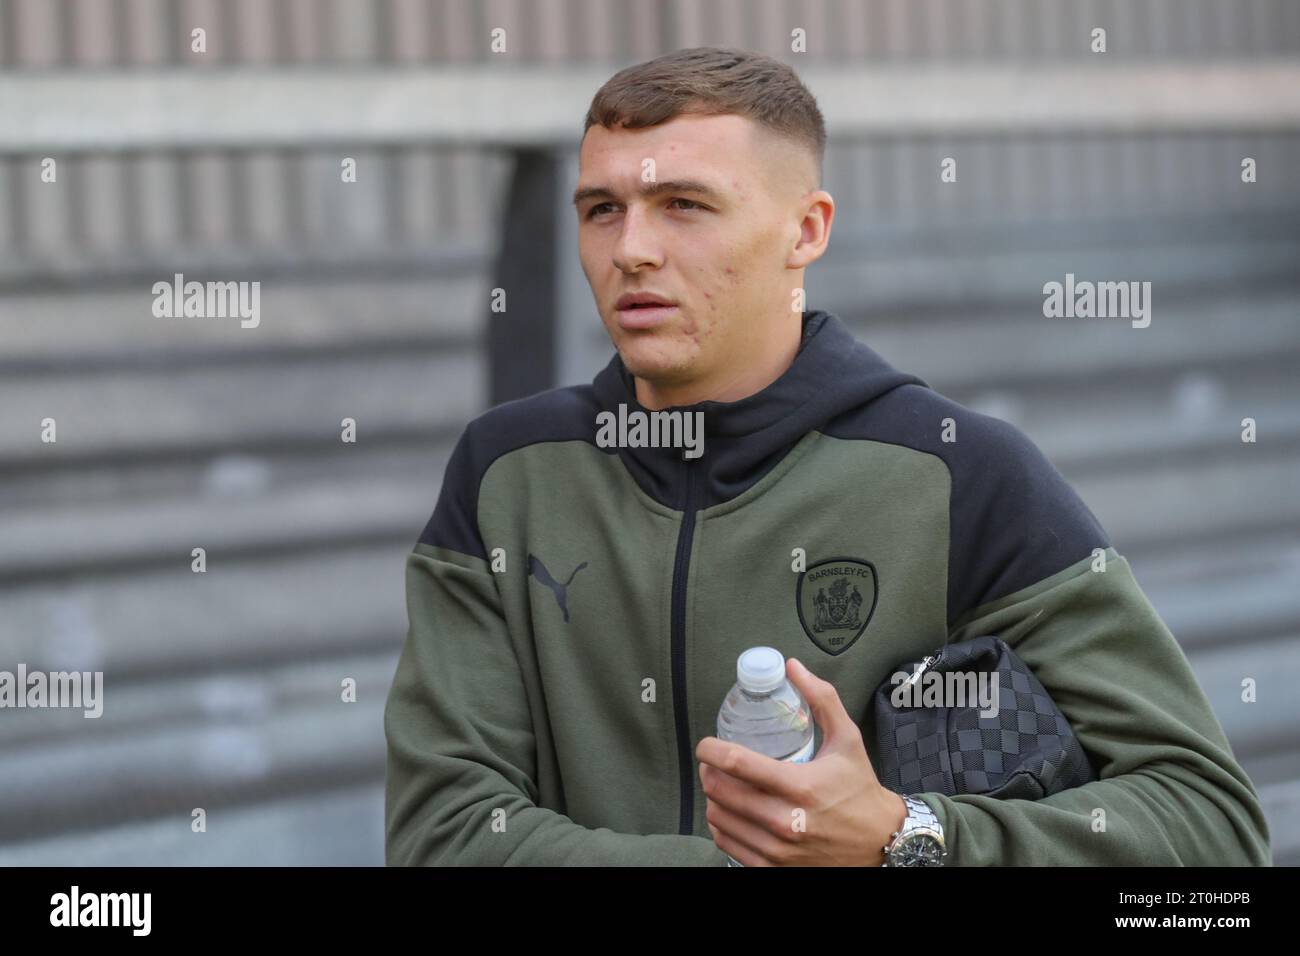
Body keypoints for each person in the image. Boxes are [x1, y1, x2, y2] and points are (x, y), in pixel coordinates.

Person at [383, 47, 1271, 866]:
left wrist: (906, 837)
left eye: (684, 205)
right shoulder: (507, 474)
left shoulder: (963, 474)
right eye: (601, 210)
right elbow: (442, 832)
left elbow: (1209, 829)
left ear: (805, 231)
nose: (632, 250)